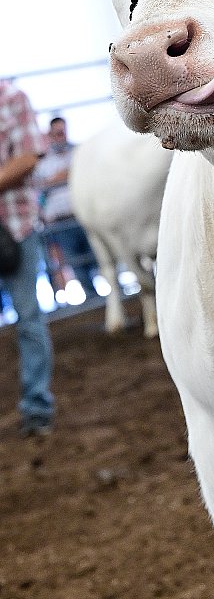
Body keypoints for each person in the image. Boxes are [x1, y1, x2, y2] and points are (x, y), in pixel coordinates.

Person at [0, 78, 55, 436]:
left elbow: (29, 157)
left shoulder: (11, 98)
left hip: (15, 225)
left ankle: (36, 408)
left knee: (29, 318)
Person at [35, 115, 98, 299]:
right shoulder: (44, 159)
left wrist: (56, 178)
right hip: (60, 223)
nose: (60, 136)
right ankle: (92, 301)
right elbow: (40, 187)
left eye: (62, 132)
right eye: (56, 133)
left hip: (84, 216)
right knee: (75, 263)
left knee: (98, 258)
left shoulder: (79, 151)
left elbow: (86, 174)